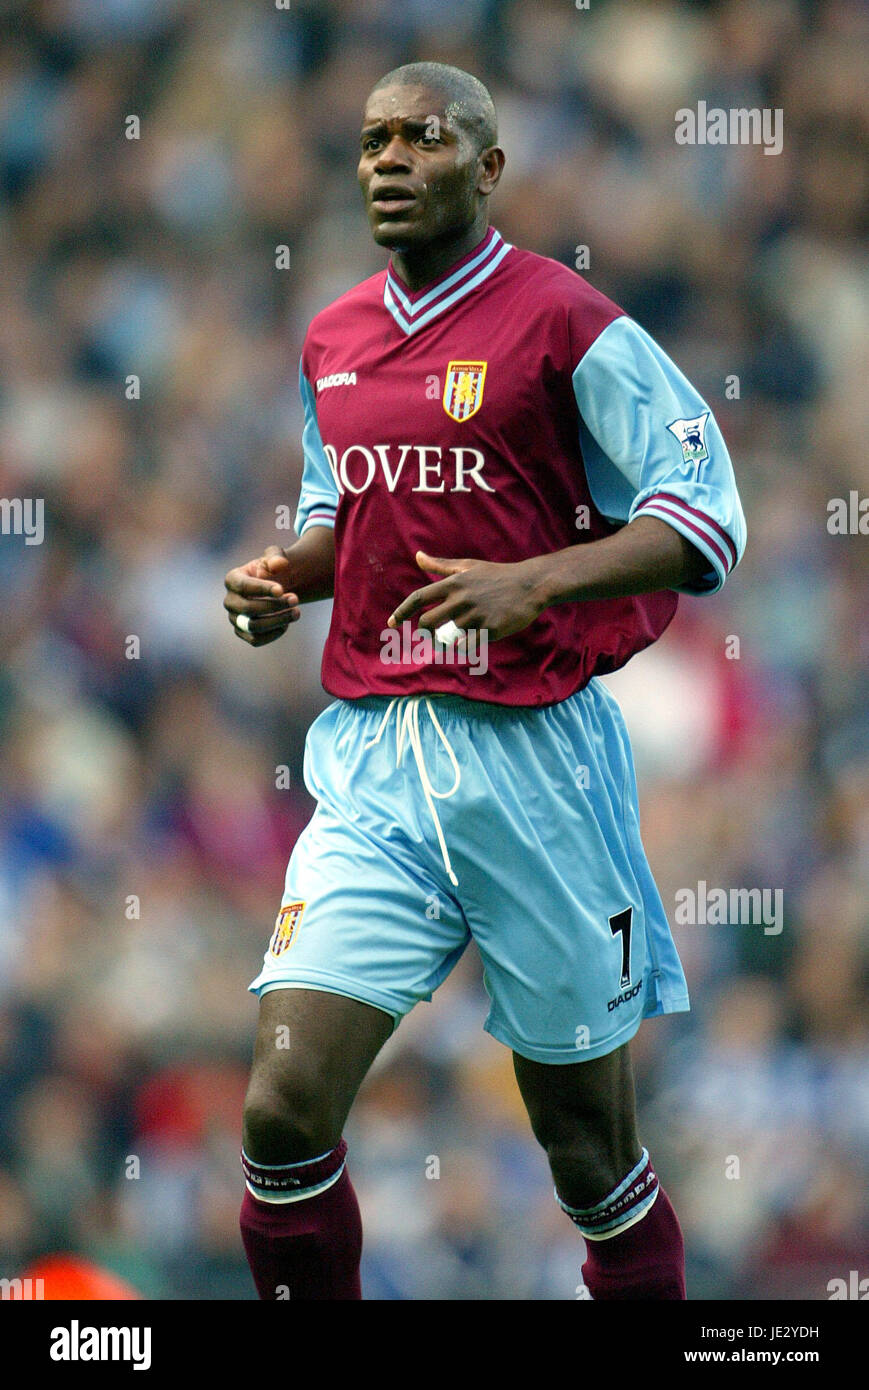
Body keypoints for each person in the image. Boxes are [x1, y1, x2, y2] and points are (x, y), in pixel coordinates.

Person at [223, 61, 746, 1301]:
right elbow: (334, 517)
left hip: (536, 767)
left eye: (423, 138)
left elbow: (706, 517)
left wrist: (538, 582)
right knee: (281, 1112)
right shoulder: (333, 336)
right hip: (373, 763)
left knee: (588, 1152)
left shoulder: (568, 321)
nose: (389, 161)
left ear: (488, 165)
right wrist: (285, 577)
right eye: (370, 142)